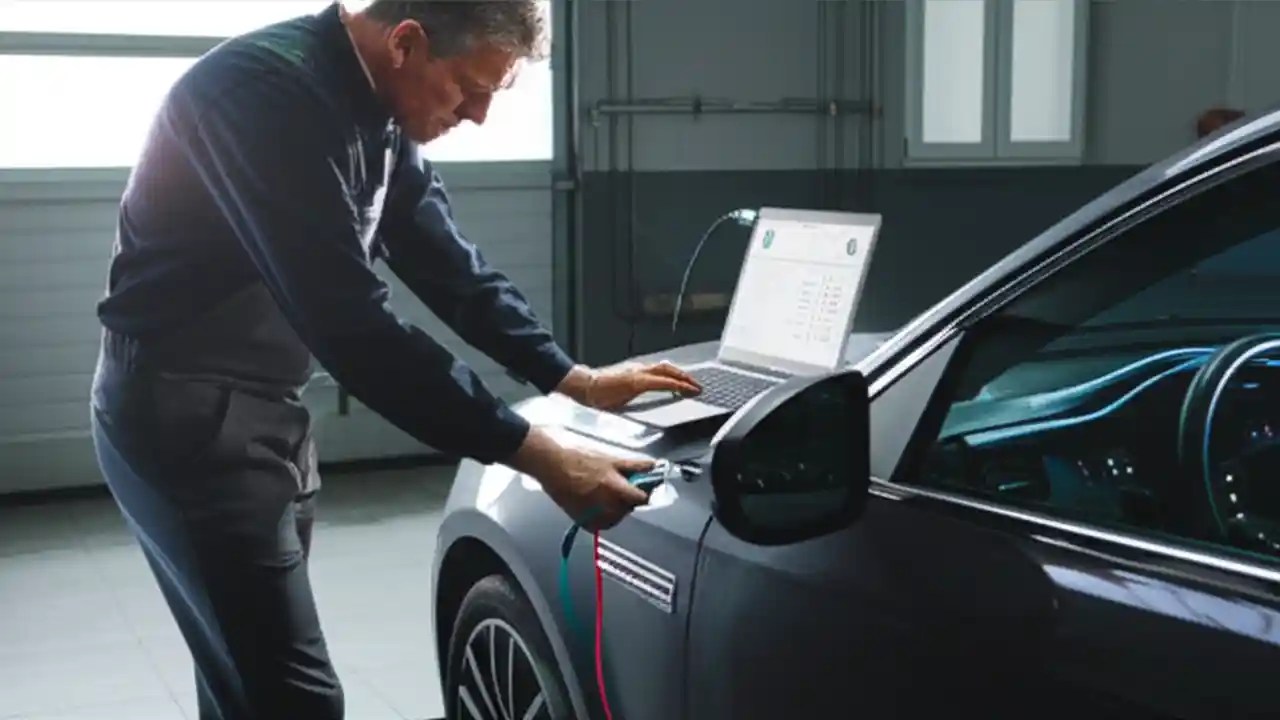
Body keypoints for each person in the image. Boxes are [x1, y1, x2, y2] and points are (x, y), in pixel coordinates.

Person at [88, 1, 700, 718]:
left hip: (263, 410)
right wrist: (536, 454)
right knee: (293, 700)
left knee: (245, 678)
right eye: (468, 89)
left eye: (494, 95)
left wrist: (570, 378)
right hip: (183, 418)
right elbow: (352, 327)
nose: (477, 116)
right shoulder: (263, 101)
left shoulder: (380, 108)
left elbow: (448, 263)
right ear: (407, 43)